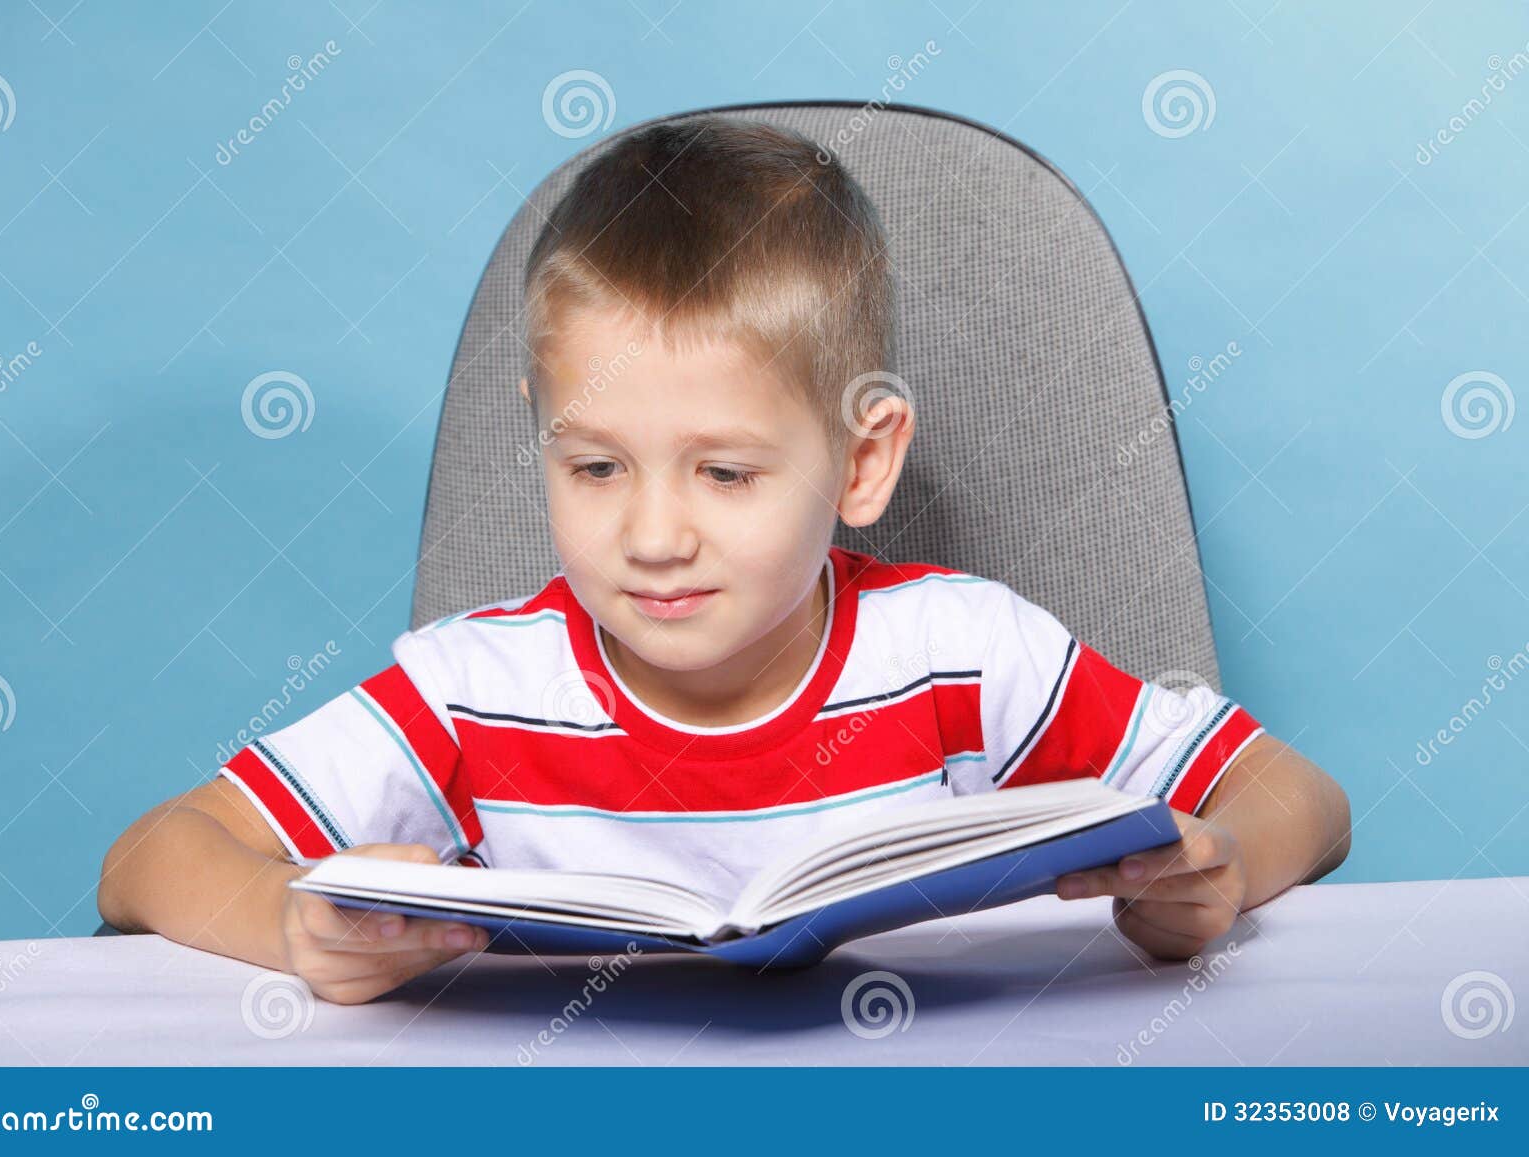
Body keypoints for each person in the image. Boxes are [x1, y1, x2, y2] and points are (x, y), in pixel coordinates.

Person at [98, 115, 1351, 1005]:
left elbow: (1294, 791)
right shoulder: (471, 690)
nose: (650, 535)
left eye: (727, 472)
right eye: (594, 467)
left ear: (863, 461)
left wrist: (1220, 869)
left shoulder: (963, 656)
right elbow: (150, 856)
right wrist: (295, 927)